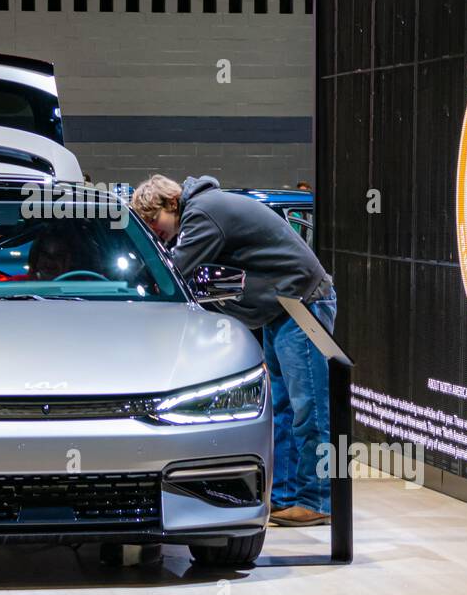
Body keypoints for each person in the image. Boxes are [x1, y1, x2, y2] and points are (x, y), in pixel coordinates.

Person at [131, 174, 337, 527]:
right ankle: (285, 497)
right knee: (284, 408)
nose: (154, 230)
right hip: (283, 308)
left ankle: (317, 499)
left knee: (310, 408)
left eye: (153, 220)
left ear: (170, 204)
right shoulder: (207, 208)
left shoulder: (203, 214)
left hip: (304, 304)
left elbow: (176, 272)